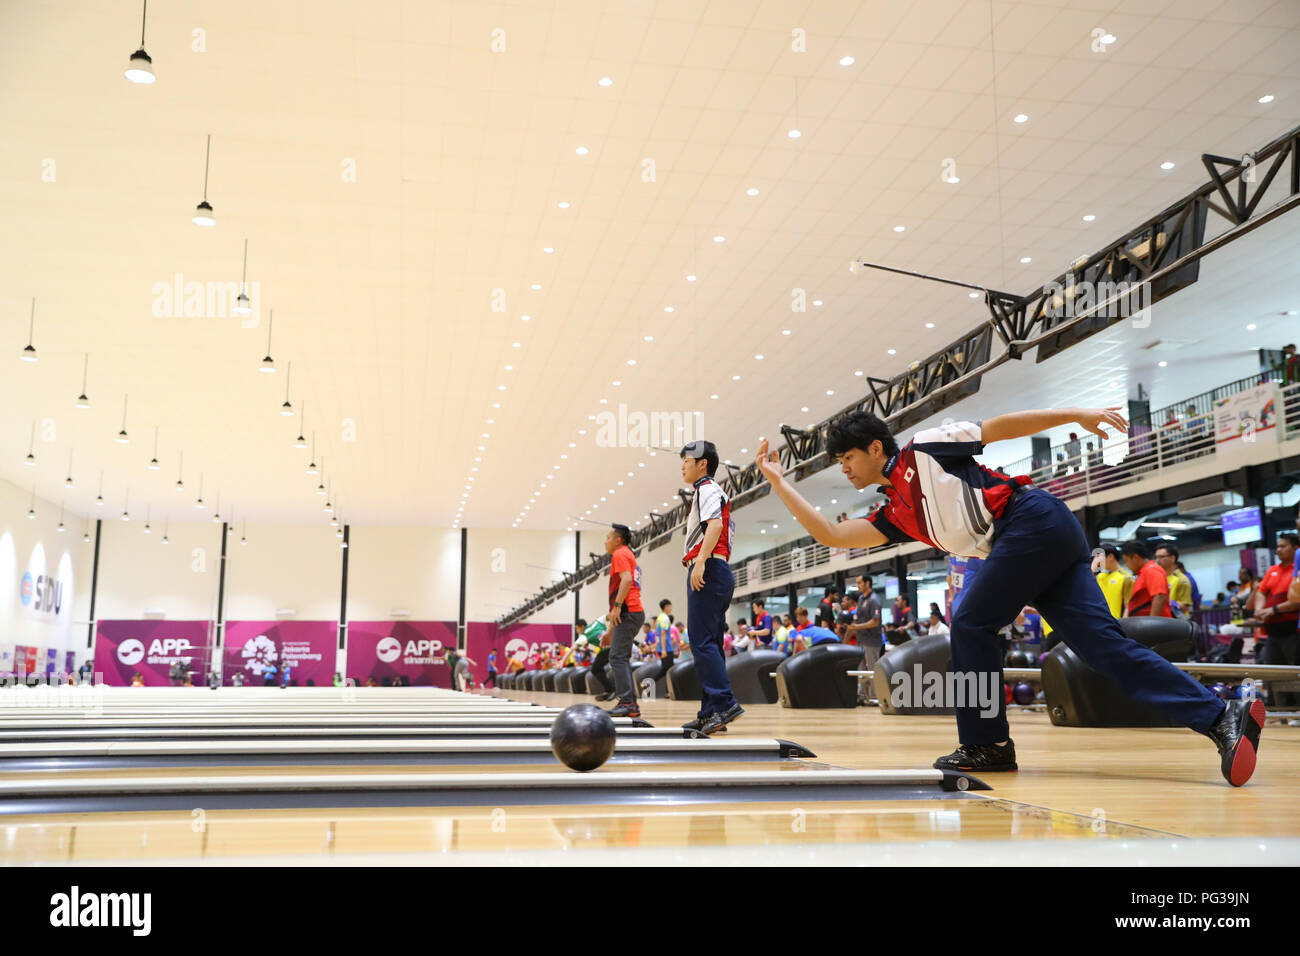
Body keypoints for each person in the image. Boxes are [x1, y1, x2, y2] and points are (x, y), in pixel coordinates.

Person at [755, 406, 1261, 786]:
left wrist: (1078, 415)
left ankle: (987, 744)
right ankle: (1222, 717)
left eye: (846, 458)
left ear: (874, 448)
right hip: (1032, 544)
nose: (843, 469)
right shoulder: (896, 514)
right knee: (1101, 648)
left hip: (1031, 519)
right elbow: (830, 533)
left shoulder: (925, 447)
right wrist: (777, 481)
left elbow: (997, 427)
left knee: (972, 621)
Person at [679, 439, 742, 735]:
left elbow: (714, 526)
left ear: (702, 464)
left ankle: (725, 702)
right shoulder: (710, 491)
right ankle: (711, 713)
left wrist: (701, 562)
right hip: (719, 569)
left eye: (686, 462)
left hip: (709, 568)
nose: (683, 466)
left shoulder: (706, 488)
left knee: (701, 642)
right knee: (711, 644)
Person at [602, 522, 646, 718]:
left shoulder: (620, 553)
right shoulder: (628, 553)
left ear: (618, 540)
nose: (606, 541)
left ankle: (628, 702)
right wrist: (610, 631)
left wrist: (618, 607)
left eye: (608, 537)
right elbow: (615, 609)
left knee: (617, 658)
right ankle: (630, 703)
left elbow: (626, 580)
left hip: (628, 612)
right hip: (632, 613)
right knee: (620, 657)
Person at [1255, 534, 1298, 708]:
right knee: (1275, 672)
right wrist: (1259, 609)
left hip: (1294, 630)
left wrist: (1273, 610)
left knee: (1295, 671)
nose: (1278, 549)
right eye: (1277, 546)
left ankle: (1297, 712)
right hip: (1273, 631)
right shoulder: (1272, 570)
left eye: (1283, 546)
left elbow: (1297, 599)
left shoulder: (1298, 569)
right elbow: (1261, 591)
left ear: (1295, 548)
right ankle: (1282, 712)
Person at [1121, 540, 1171, 617]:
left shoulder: (1151, 570)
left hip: (1154, 626)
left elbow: (1160, 596)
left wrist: (1151, 624)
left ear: (1135, 557)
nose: (1127, 565)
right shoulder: (1143, 572)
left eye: (1126, 561)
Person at [1093, 544, 1133, 619]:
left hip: (1115, 622)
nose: (1098, 562)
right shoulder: (1100, 576)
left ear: (1110, 557)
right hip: (1098, 621)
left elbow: (1128, 606)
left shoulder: (1126, 578)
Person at [1154, 544, 1193, 616]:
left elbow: (1184, 607)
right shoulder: (1158, 577)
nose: (1157, 560)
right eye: (1156, 557)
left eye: (1161, 557)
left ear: (1172, 558)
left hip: (1176, 622)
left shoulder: (1182, 580)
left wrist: (1165, 602)